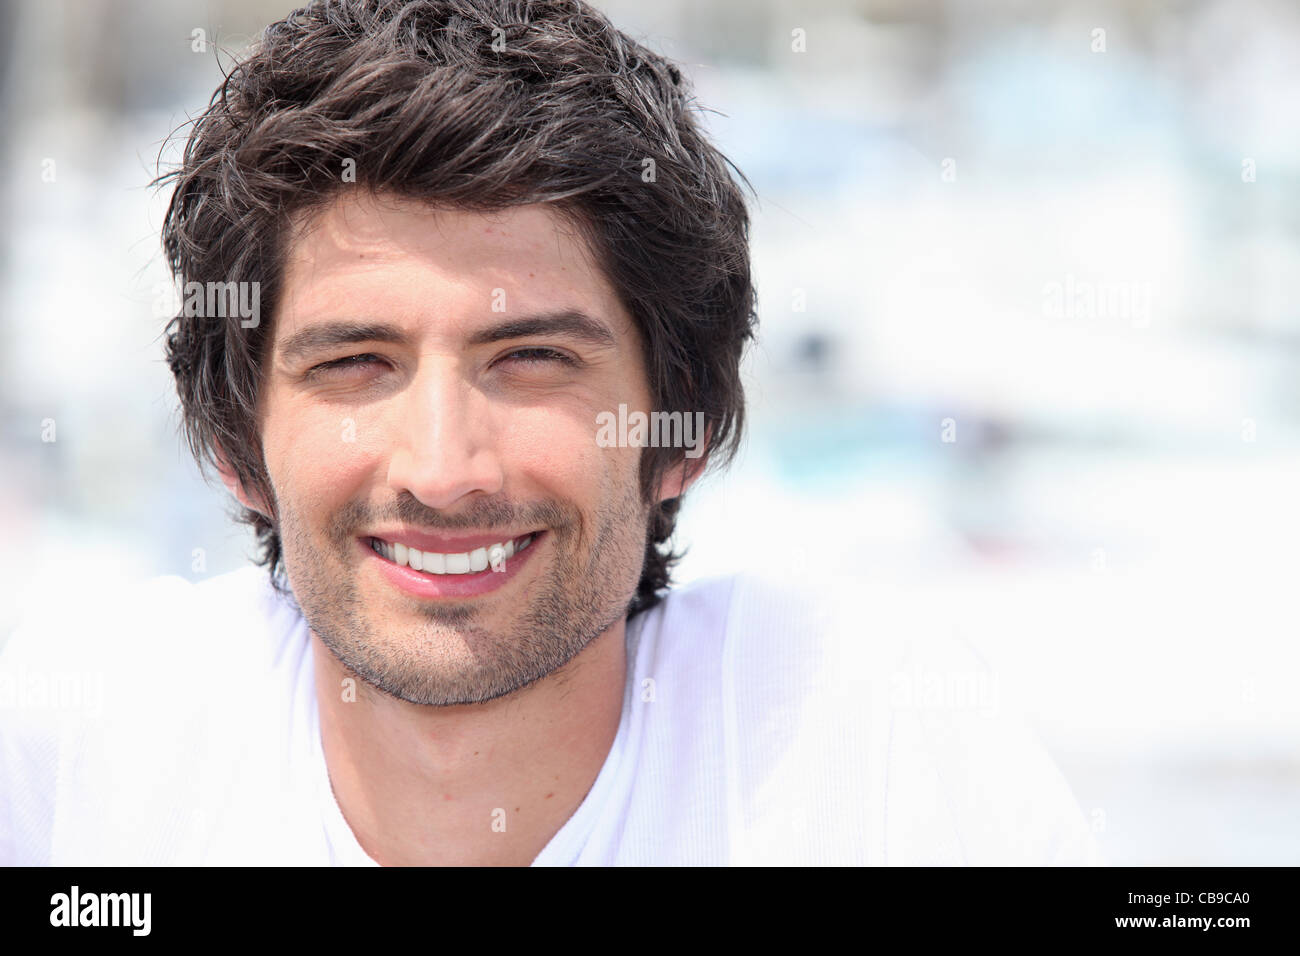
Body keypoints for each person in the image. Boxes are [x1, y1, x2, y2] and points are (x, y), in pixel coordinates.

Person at [0, 0, 1100, 866]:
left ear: (681, 428)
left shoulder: (865, 750)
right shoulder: (84, 758)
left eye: (531, 359)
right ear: (240, 447)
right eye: (354, 364)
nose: (442, 468)